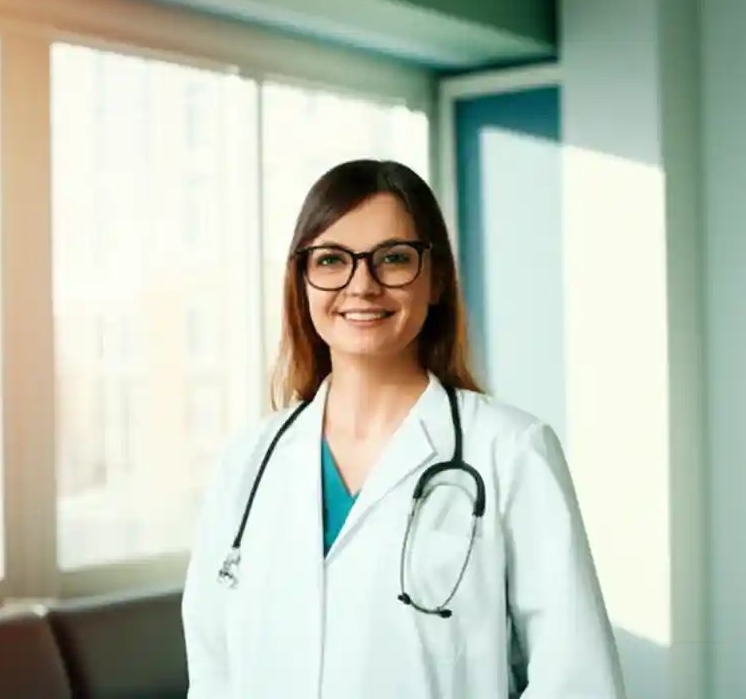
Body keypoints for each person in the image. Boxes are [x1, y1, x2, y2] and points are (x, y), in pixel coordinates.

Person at [181, 159, 624, 698]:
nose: (361, 285)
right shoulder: (248, 461)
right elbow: (214, 671)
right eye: (331, 260)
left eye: (392, 259)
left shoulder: (509, 450)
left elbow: (576, 678)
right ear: (302, 282)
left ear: (435, 278)